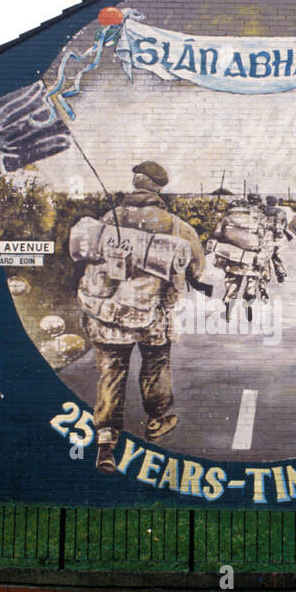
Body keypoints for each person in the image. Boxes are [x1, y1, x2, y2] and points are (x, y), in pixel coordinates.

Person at [74, 161, 206, 473]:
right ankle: (158, 421)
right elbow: (198, 269)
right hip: (150, 315)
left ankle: (106, 442)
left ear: (135, 184)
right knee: (156, 365)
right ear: (159, 188)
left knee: (111, 372)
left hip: (106, 313)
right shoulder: (176, 226)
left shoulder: (108, 218)